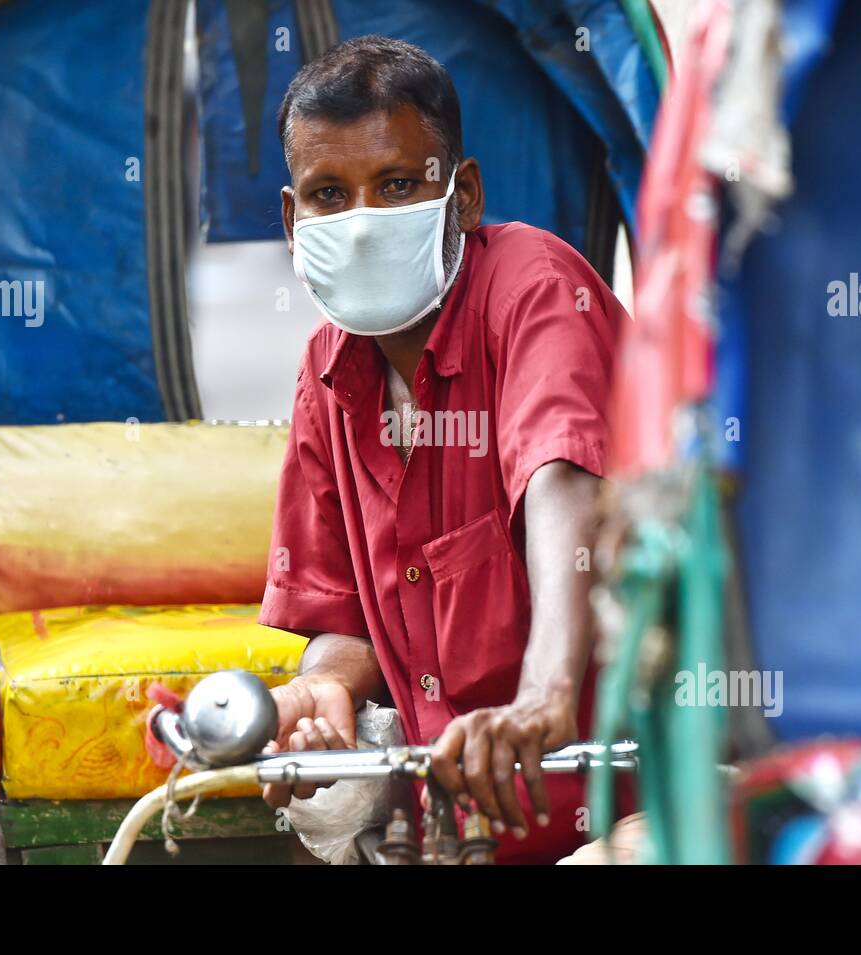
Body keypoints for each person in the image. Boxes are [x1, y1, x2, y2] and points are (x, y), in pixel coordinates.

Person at [257, 35, 630, 863]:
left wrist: (545, 695)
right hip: (457, 830)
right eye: (329, 194)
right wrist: (320, 689)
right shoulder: (326, 372)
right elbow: (341, 615)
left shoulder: (535, 289)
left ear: (461, 194)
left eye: (396, 184)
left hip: (630, 806)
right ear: (292, 219)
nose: (361, 223)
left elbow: (560, 479)